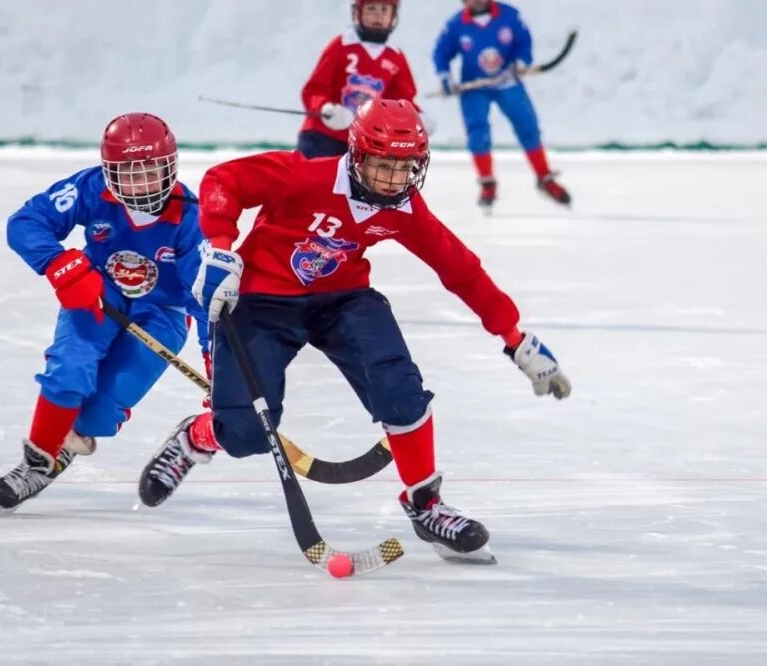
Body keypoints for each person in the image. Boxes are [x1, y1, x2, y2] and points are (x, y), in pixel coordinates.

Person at [138, 99, 571, 563]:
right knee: (245, 435)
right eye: (384, 166)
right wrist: (221, 248)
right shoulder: (307, 174)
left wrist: (515, 339)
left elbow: (460, 269)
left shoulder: (404, 207)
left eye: (406, 167)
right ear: (357, 156)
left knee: (399, 390)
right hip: (262, 300)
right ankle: (197, 436)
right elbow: (224, 181)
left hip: (342, 300)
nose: (393, 180)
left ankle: (425, 503)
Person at [0, 113, 210, 515]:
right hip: (96, 292)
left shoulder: (193, 219)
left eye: (151, 172)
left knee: (101, 414)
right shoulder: (91, 187)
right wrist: (61, 266)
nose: (141, 185)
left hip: (163, 312)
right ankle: (38, 462)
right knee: (69, 370)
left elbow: (207, 298)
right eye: (128, 174)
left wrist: (217, 362)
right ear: (109, 172)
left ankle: (67, 443)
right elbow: (27, 222)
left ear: (170, 166)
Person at [433, 0, 570, 210]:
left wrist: (522, 61)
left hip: (508, 82)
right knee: (477, 133)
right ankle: (487, 182)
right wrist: (445, 76)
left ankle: (544, 177)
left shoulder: (509, 15)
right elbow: (441, 53)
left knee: (528, 127)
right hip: (474, 87)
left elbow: (523, 42)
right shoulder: (455, 24)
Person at [296, 0, 430, 159]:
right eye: (371, 9)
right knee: (312, 174)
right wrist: (325, 108)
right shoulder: (340, 46)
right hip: (321, 137)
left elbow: (401, 101)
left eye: (384, 10)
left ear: (394, 15)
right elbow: (314, 89)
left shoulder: (395, 56)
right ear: (357, 13)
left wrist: (415, 117)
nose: (378, 15)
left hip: (364, 142)